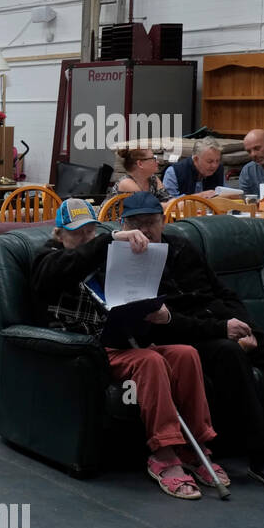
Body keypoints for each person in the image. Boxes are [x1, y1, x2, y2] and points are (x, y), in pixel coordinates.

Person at [115, 190, 264, 495]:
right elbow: (162, 325)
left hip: (226, 327)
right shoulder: (127, 263)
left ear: (163, 221)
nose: (146, 230)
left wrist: (248, 329)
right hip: (191, 339)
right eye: (137, 223)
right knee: (228, 352)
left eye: (152, 221)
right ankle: (263, 457)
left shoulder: (182, 247)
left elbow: (223, 293)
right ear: (124, 227)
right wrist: (221, 330)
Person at [30, 197, 221, 500]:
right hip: (85, 350)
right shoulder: (47, 259)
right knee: (149, 362)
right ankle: (163, 453)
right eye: (78, 233)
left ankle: (194, 447)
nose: (86, 238)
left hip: (124, 340)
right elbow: (66, 267)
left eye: (92, 231)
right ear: (58, 233)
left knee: (186, 354)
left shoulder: (103, 258)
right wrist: (106, 241)